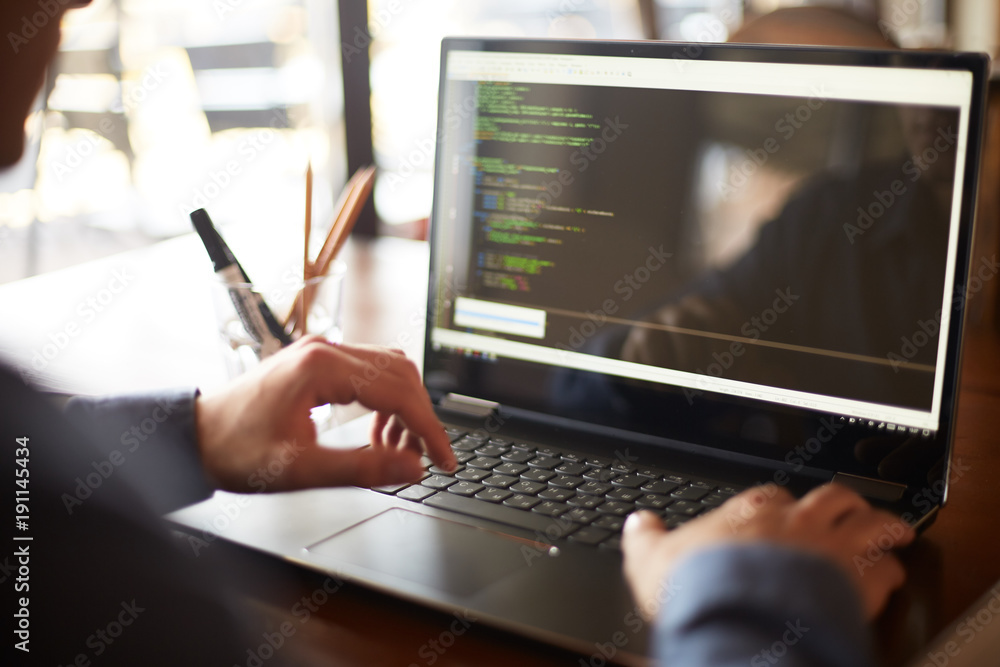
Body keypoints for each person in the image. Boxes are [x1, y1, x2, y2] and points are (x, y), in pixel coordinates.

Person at [1, 2, 914, 665]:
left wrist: (190, 433)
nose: (79, 1)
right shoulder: (86, 563)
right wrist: (739, 603)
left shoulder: (834, 216)